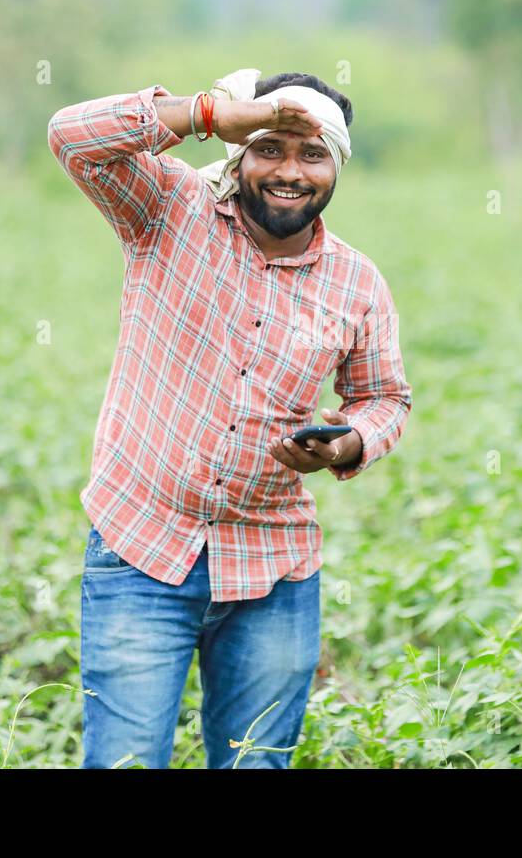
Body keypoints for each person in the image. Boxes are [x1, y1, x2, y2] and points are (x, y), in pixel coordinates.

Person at [47, 68, 413, 768]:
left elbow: (385, 399)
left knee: (255, 763)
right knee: (125, 761)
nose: (290, 171)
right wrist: (209, 113)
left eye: (313, 155)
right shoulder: (167, 209)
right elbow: (72, 138)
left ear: (336, 166)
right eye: (270, 147)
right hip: (140, 550)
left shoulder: (357, 282)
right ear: (240, 152)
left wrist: (346, 444)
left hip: (273, 572)